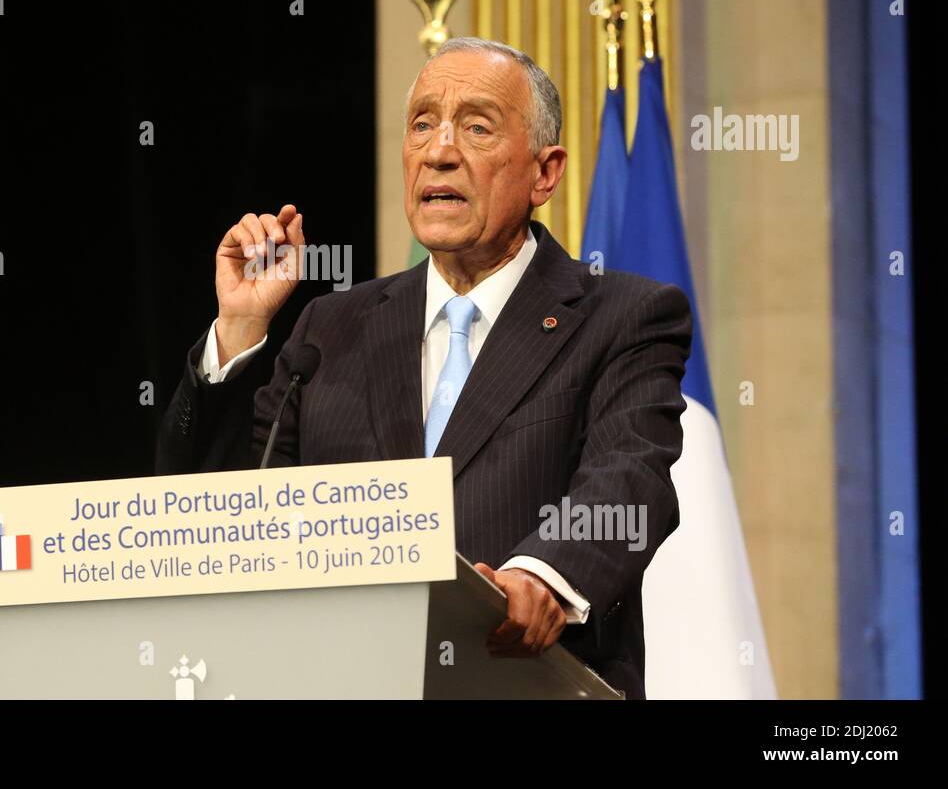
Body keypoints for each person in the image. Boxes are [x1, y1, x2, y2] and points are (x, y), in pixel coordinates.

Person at [156, 36, 691, 698]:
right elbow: (224, 513)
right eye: (422, 125)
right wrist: (239, 328)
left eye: (476, 126)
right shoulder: (333, 327)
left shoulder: (624, 317)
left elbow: (631, 479)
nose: (440, 150)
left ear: (544, 174)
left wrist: (543, 576)